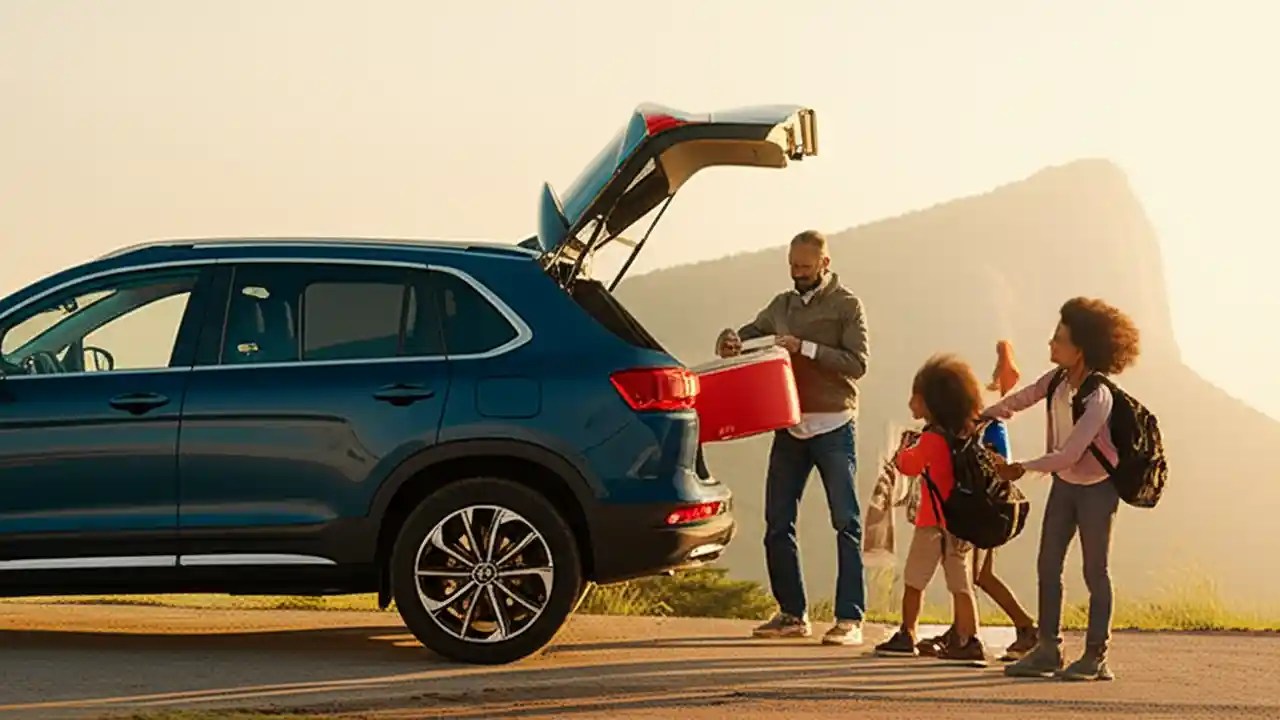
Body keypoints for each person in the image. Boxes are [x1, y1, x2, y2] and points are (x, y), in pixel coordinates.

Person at [715, 229, 869, 645]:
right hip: (790, 425)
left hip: (834, 425)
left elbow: (857, 364)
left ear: (824, 264)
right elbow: (748, 334)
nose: (797, 273)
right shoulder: (780, 305)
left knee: (846, 522)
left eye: (804, 267)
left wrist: (805, 348)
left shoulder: (846, 306)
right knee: (777, 522)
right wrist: (730, 340)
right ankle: (791, 614)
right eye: (792, 266)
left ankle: (850, 619)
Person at [984, 297, 1141, 682]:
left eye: (1059, 339)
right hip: (1064, 486)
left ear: (1081, 348)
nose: (1051, 345)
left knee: (1095, 571)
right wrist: (980, 417)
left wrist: (1021, 468)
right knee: (1048, 565)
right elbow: (1018, 401)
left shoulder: (1099, 395)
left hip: (1096, 490)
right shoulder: (1055, 381)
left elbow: (1070, 453)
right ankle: (1048, 650)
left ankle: (1095, 658)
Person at [916, 341, 1038, 661]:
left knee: (974, 576)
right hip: (983, 508)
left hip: (985, 509)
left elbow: (998, 464)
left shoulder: (981, 428)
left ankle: (1022, 628)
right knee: (975, 576)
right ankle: (963, 630)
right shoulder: (971, 424)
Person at [873, 353, 988, 662]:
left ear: (930, 403)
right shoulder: (963, 437)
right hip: (959, 522)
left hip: (931, 523)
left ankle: (907, 633)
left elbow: (907, 466)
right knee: (960, 584)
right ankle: (969, 639)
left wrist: (901, 450)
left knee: (914, 580)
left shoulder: (930, 439)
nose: (912, 403)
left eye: (917, 397)